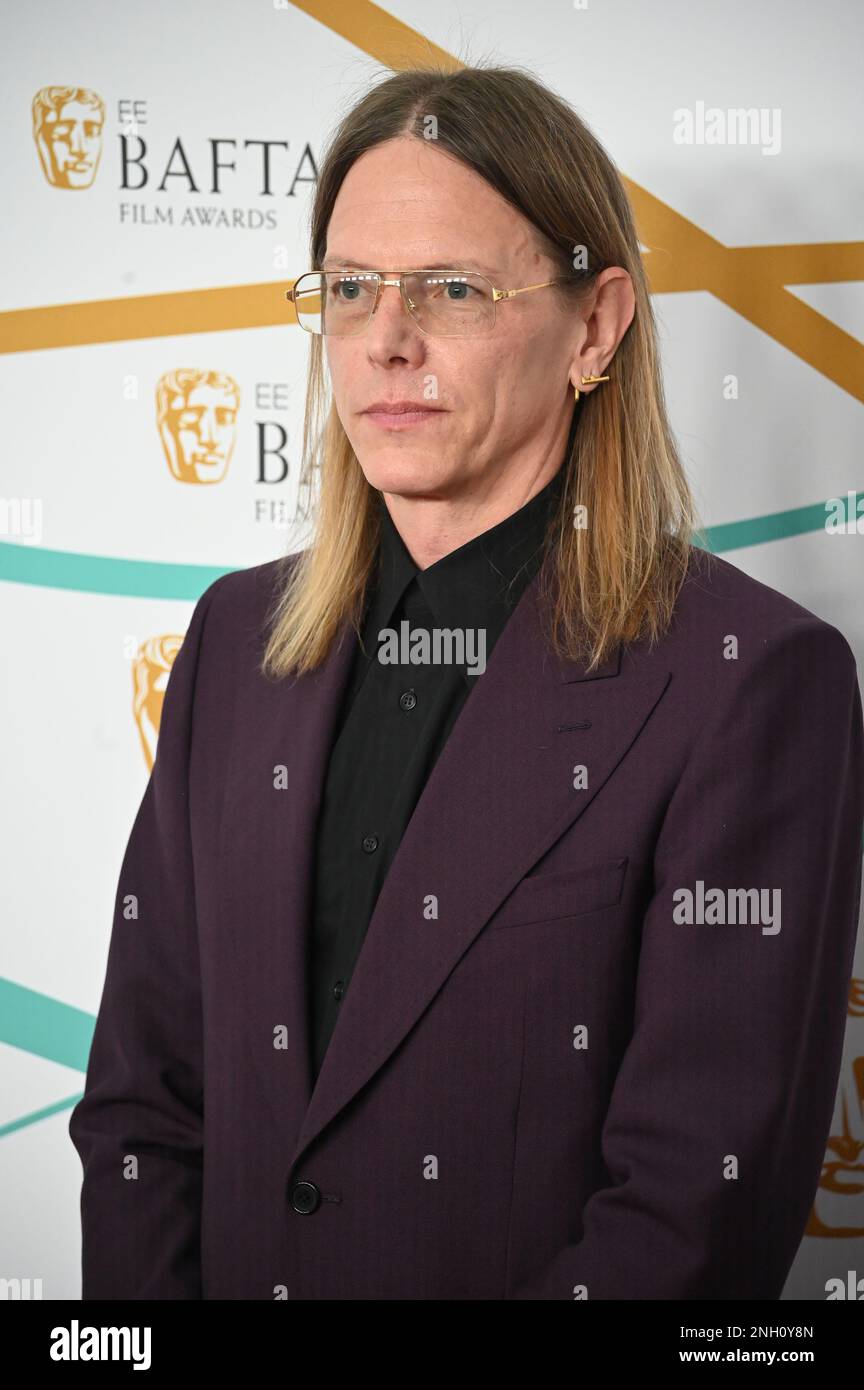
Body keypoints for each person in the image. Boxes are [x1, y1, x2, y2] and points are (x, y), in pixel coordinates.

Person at [69, 63, 864, 1301]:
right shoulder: (236, 638)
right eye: (349, 289)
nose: (386, 338)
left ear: (594, 328)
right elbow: (142, 1106)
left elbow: (689, 1223)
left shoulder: (750, 685)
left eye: (452, 287)